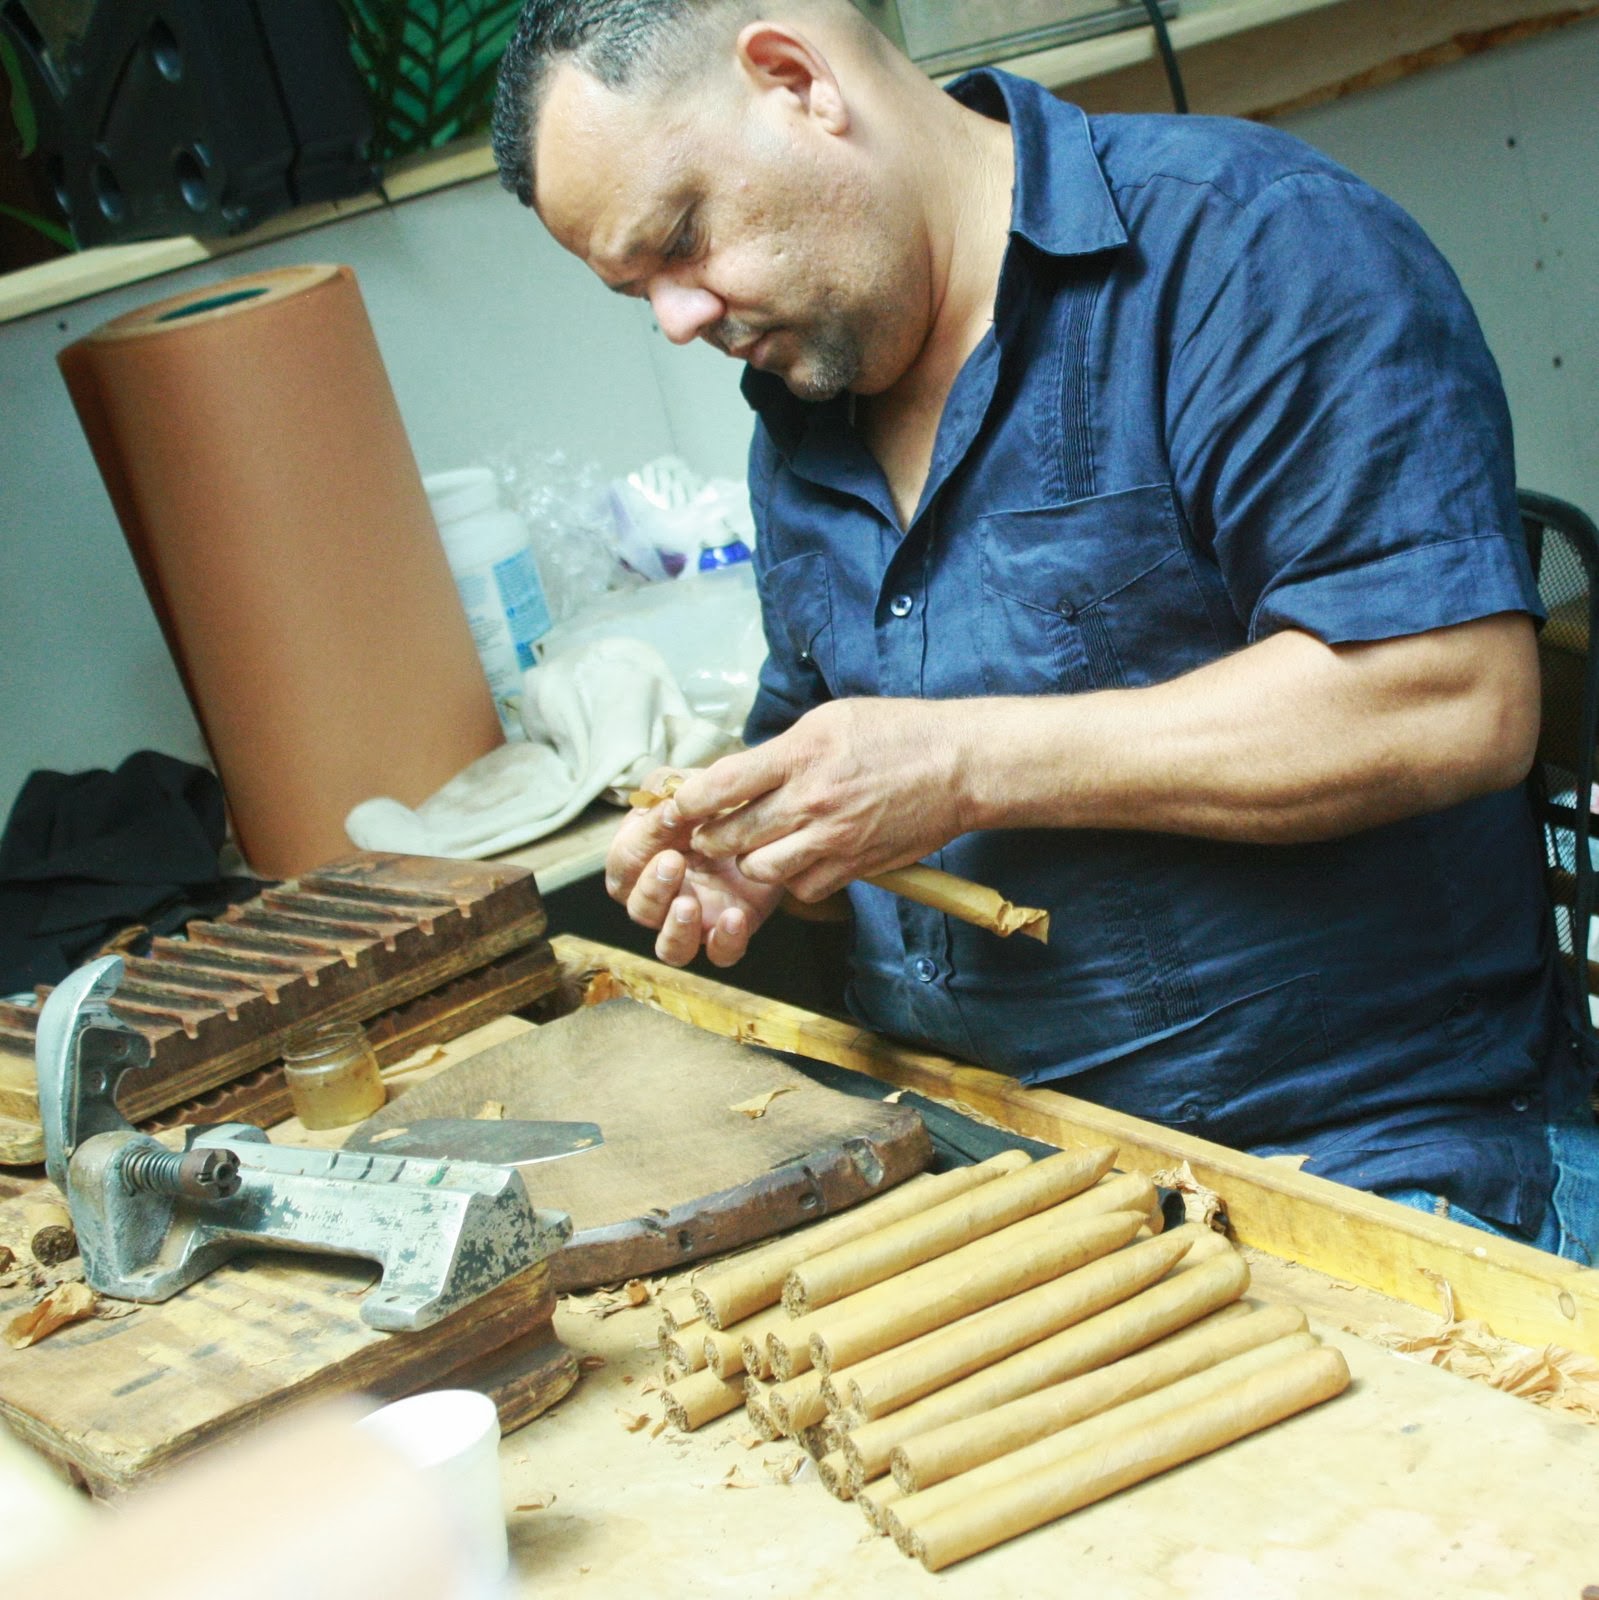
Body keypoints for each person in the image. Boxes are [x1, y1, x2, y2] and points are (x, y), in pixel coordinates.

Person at [490, 0, 1599, 1259]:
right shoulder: (802, 410)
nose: (677, 320)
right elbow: (839, 808)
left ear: (796, 79)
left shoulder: (1250, 250)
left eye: (681, 240)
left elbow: (1455, 698)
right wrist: (758, 854)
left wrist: (962, 761)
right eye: (637, 290)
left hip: (1355, 1166)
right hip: (975, 1163)